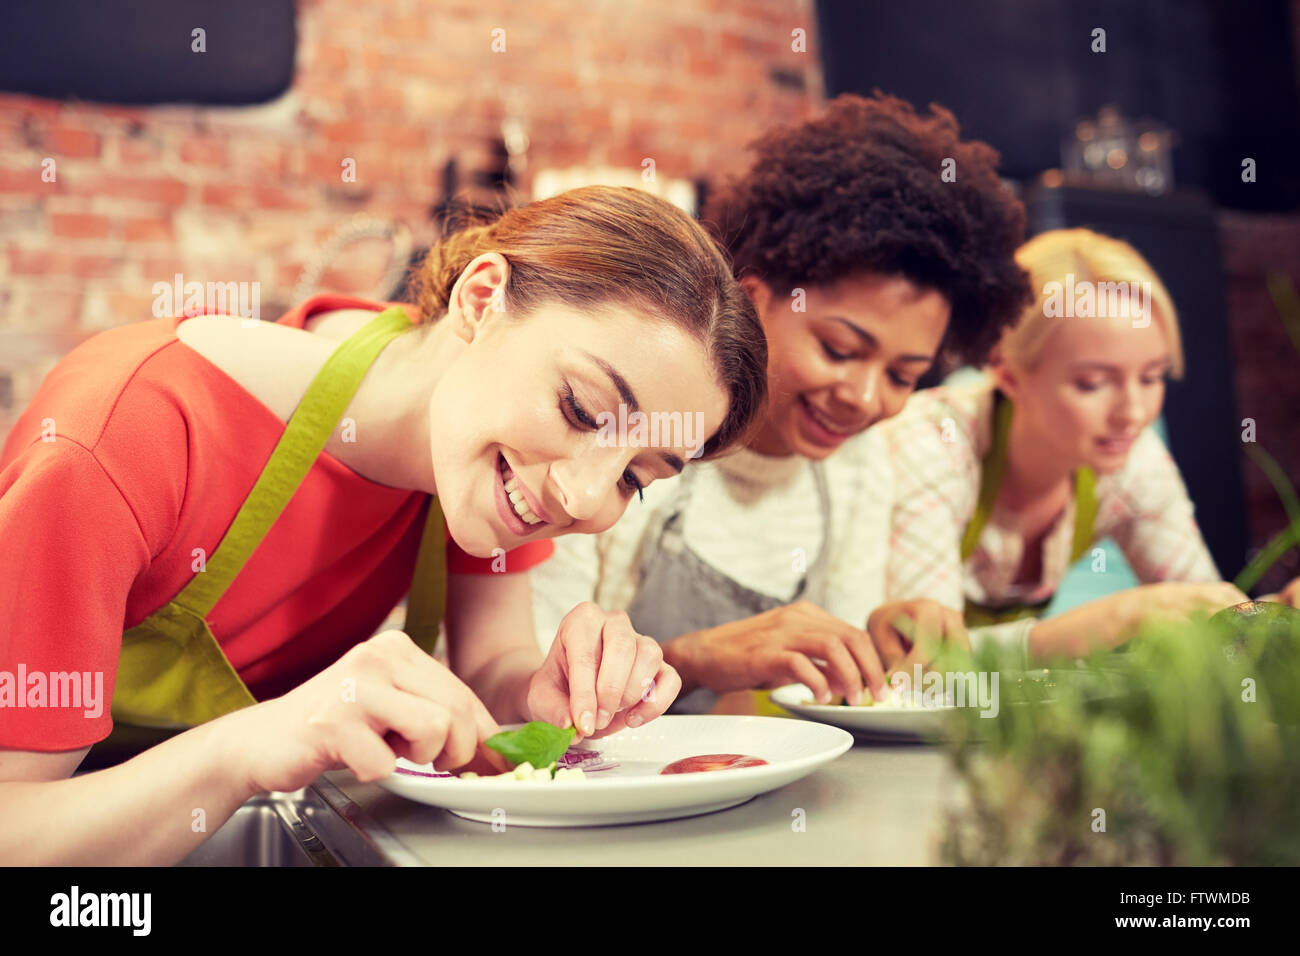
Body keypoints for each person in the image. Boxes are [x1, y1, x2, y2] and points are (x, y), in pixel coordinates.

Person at [0, 185, 768, 864]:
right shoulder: (120, 441)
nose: (579, 492)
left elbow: (493, 663)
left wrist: (544, 694)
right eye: (582, 411)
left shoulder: (465, 443)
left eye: (635, 476)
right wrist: (253, 743)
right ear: (479, 300)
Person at [531, 93, 1032, 713]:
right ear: (755, 299)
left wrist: (872, 652)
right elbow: (526, 694)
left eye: (904, 376)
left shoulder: (860, 468)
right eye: (840, 348)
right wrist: (688, 661)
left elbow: (830, 704)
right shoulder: (634, 438)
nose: (865, 398)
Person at [880, 227, 1297, 666]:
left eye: (1152, 377)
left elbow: (1207, 620)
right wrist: (1113, 619)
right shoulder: (930, 442)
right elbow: (924, 662)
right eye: (1093, 383)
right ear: (1007, 373)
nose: (1133, 413)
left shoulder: (1131, 458)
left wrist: (1276, 614)